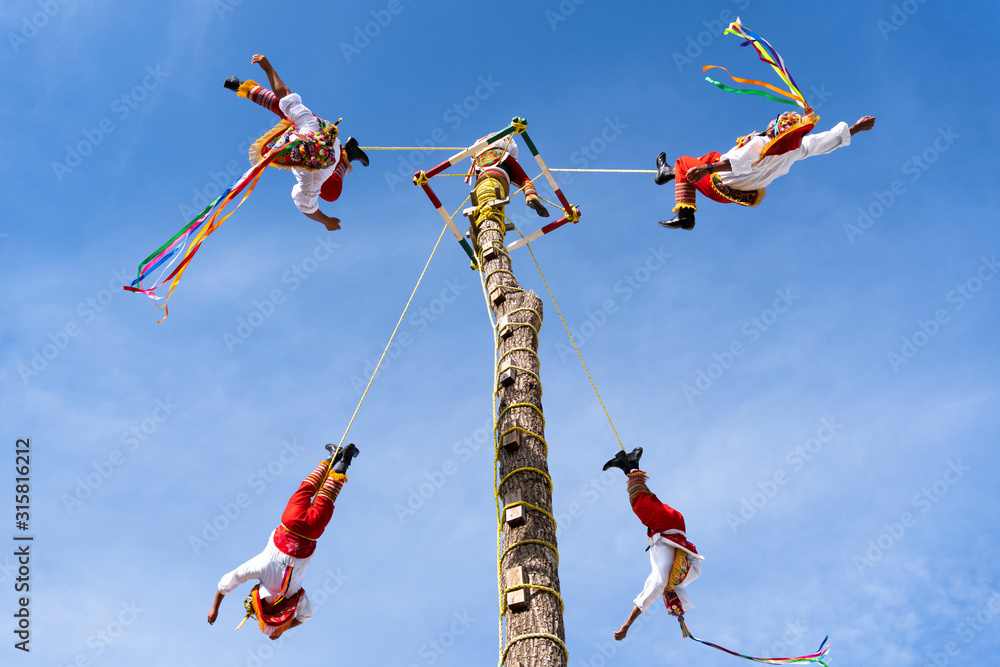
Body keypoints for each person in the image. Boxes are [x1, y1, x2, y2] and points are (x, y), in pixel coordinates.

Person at [206, 443, 360, 639]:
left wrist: (282, 629)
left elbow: (306, 615)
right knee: (306, 489)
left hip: (311, 532)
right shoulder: (259, 568)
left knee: (326, 496)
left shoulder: (294, 595)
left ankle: (346, 458)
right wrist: (215, 608)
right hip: (290, 521)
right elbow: (226, 583)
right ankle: (332, 457)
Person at [654, 112, 876, 230]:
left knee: (684, 162)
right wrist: (856, 128)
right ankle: (668, 173)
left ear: (775, 129)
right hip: (738, 194)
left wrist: (706, 169)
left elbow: (735, 162)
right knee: (712, 155)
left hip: (720, 184)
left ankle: (685, 216)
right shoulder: (796, 149)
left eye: (775, 121)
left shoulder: (761, 143)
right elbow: (824, 142)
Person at [224, 54, 370, 231]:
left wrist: (327, 221)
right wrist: (268, 68)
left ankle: (348, 155)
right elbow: (285, 95)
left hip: (328, 145)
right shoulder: (310, 131)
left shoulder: (310, 177)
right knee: (287, 108)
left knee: (332, 194)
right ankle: (348, 155)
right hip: (325, 137)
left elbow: (308, 208)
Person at [603, 446, 704, 641]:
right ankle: (631, 465)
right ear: (670, 594)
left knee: (647, 500)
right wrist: (626, 626)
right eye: (666, 598)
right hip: (665, 526)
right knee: (639, 503)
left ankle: (629, 465)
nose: (663, 597)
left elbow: (696, 561)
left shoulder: (686, 575)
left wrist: (679, 613)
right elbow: (647, 597)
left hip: (677, 523)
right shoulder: (663, 580)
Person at [467, 135, 549, 217]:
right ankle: (531, 196)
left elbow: (473, 158)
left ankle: (480, 204)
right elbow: (513, 150)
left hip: (480, 163)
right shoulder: (503, 135)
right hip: (501, 156)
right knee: (523, 179)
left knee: (480, 184)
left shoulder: (477, 142)